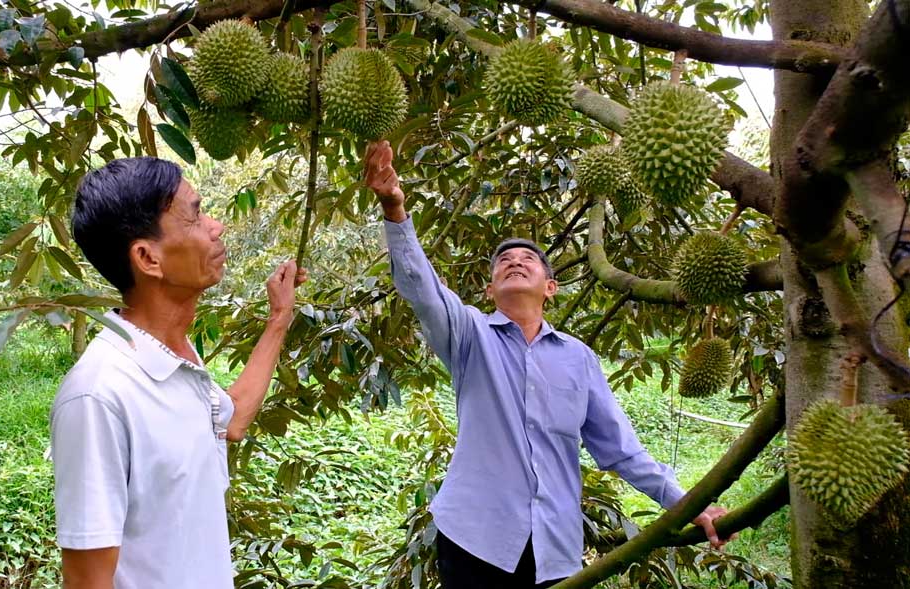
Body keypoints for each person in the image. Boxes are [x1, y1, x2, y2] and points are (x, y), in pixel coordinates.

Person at [363, 140, 733, 588]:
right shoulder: (469, 337)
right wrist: (395, 210)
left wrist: (686, 503)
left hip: (553, 548)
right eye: (504, 262)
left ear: (551, 287)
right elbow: (422, 289)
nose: (515, 263)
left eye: (528, 261)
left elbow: (621, 449)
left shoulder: (579, 358)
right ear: (489, 290)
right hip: (473, 539)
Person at [50, 157, 307, 589]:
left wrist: (279, 318)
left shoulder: (175, 355)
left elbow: (234, 418)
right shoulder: (98, 396)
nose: (216, 226)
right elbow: (86, 582)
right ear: (148, 258)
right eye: (194, 213)